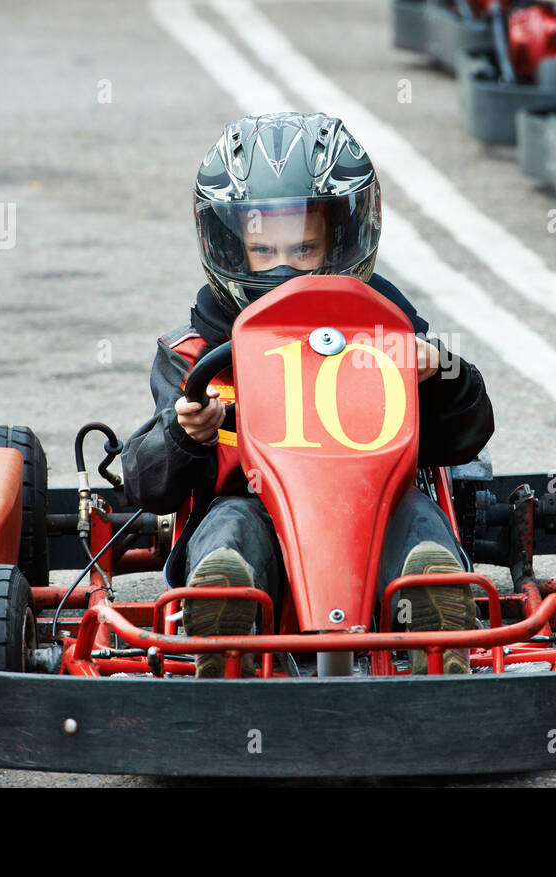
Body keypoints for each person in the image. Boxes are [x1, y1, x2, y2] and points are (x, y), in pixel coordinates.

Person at [122, 111, 495, 676]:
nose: (283, 269)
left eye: (303, 250)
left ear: (341, 239)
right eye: (264, 253)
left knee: (414, 518)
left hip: (374, 516)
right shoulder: (196, 353)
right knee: (229, 530)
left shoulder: (389, 330)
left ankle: (432, 614)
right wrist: (184, 433)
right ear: (229, 246)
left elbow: (464, 439)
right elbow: (147, 484)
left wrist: (444, 375)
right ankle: (227, 622)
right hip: (255, 513)